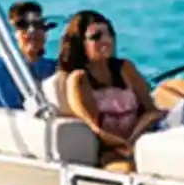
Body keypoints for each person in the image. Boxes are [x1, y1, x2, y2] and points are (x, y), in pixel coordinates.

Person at [57, 10, 165, 172]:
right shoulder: (79, 79)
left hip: (141, 141)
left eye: (109, 35)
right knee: (129, 168)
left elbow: (151, 110)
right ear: (80, 43)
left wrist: (134, 139)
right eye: (96, 37)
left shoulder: (125, 68)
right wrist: (123, 146)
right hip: (107, 153)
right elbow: (95, 128)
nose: (106, 41)